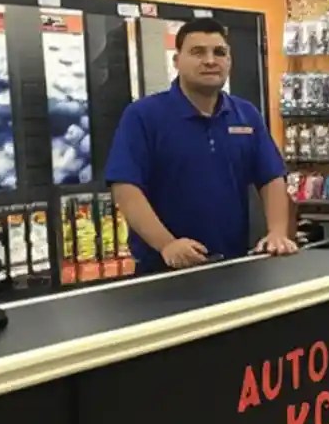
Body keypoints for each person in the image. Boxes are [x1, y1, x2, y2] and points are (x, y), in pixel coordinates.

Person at [105, 18, 296, 273]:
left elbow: (271, 177)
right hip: (162, 271)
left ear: (229, 61)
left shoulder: (246, 114)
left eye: (219, 52)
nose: (210, 60)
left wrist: (277, 233)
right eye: (198, 52)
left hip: (235, 265)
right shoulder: (143, 115)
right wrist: (167, 244)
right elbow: (126, 187)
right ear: (177, 61)